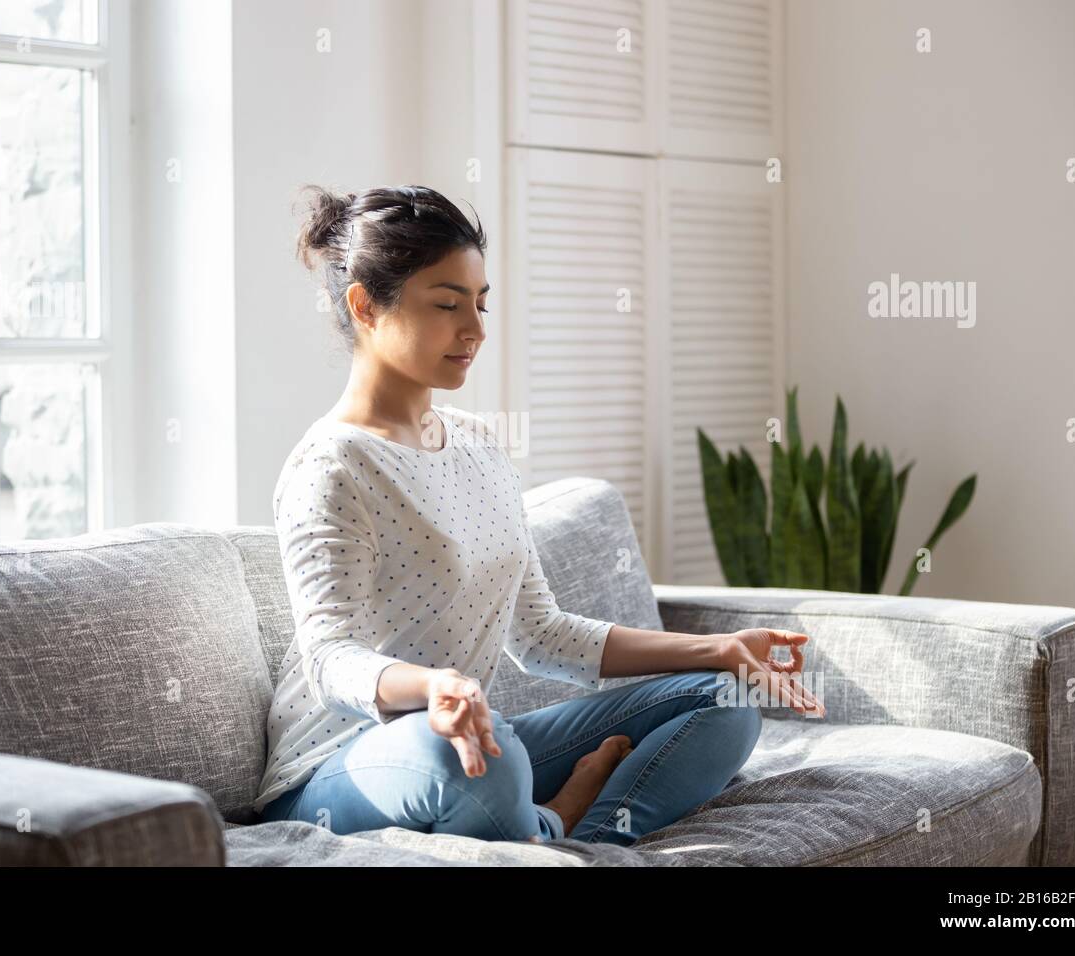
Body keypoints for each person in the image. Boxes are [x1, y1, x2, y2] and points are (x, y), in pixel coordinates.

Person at [254, 184, 825, 846]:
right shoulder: (332, 467)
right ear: (365, 306)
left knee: (726, 698)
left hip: (476, 738)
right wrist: (434, 687)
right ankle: (554, 820)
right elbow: (331, 658)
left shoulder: (479, 445)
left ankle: (584, 844)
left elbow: (541, 633)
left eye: (480, 302)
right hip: (338, 769)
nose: (475, 329)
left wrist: (719, 650)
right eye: (446, 304)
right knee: (477, 761)